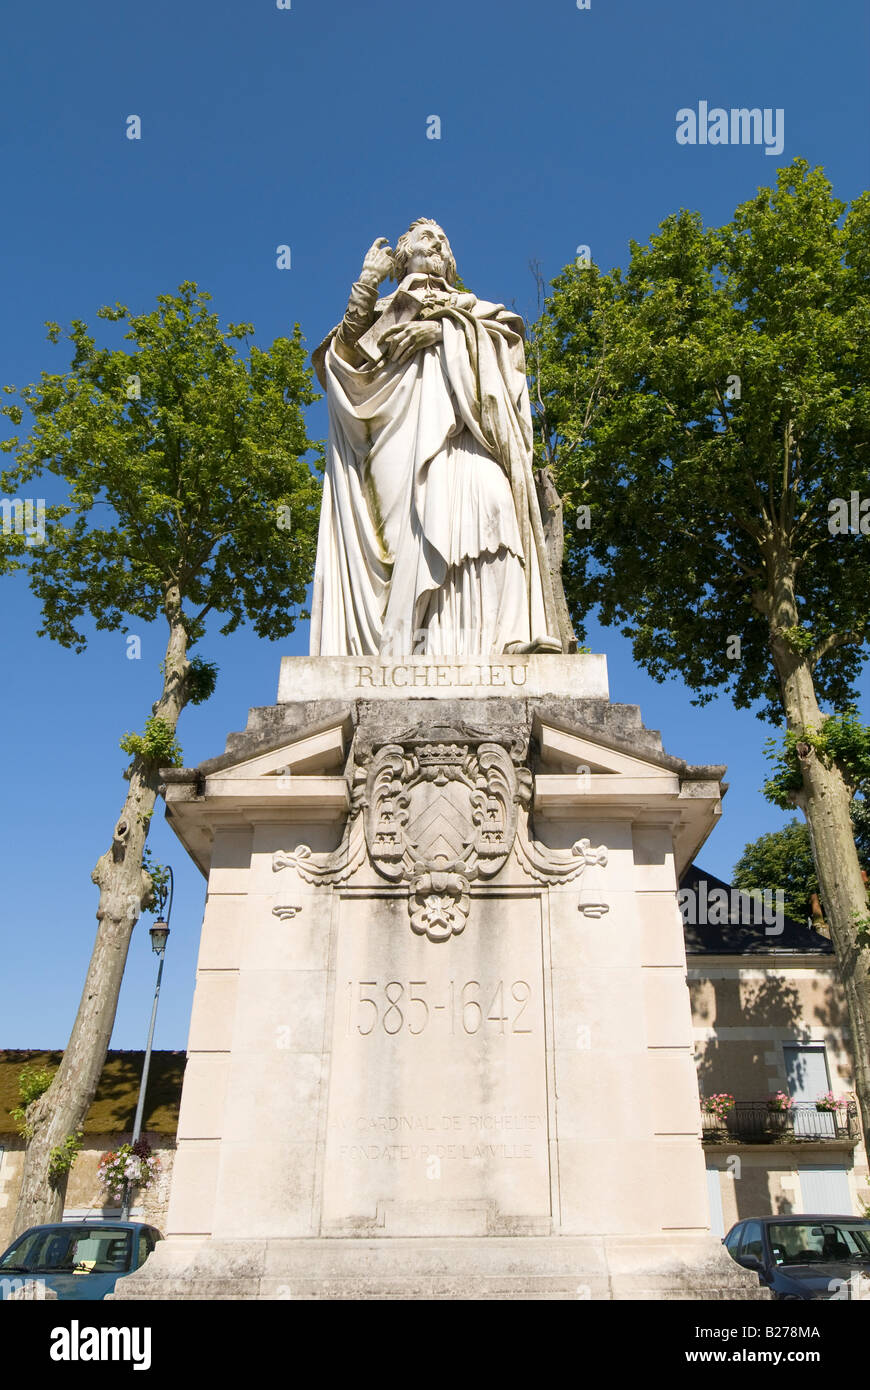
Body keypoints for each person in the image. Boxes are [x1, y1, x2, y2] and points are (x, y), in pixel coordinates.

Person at [310, 219, 565, 658]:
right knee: (412, 537)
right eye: (428, 237)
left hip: (467, 435)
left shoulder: (477, 311)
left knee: (496, 509)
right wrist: (368, 284)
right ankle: (417, 650)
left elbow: (509, 361)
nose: (439, 243)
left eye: (444, 240)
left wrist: (444, 330)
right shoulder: (382, 305)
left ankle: (501, 642)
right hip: (395, 438)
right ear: (402, 253)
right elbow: (344, 359)